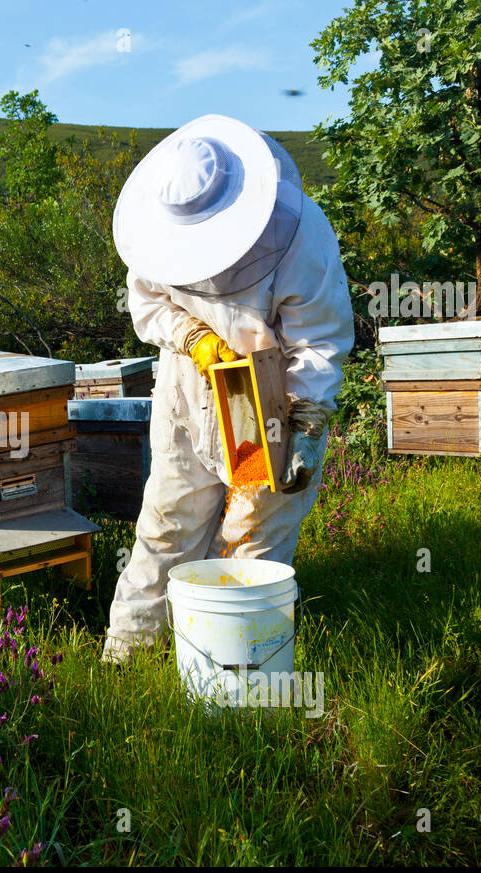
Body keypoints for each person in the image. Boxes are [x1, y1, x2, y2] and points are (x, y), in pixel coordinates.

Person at [103, 114, 354, 664]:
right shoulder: (154, 227)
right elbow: (147, 302)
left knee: (253, 541)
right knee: (167, 527)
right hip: (186, 388)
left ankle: (237, 673)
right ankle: (128, 658)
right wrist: (192, 336)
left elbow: (319, 340)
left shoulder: (297, 232)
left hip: (273, 399)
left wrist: (308, 422)